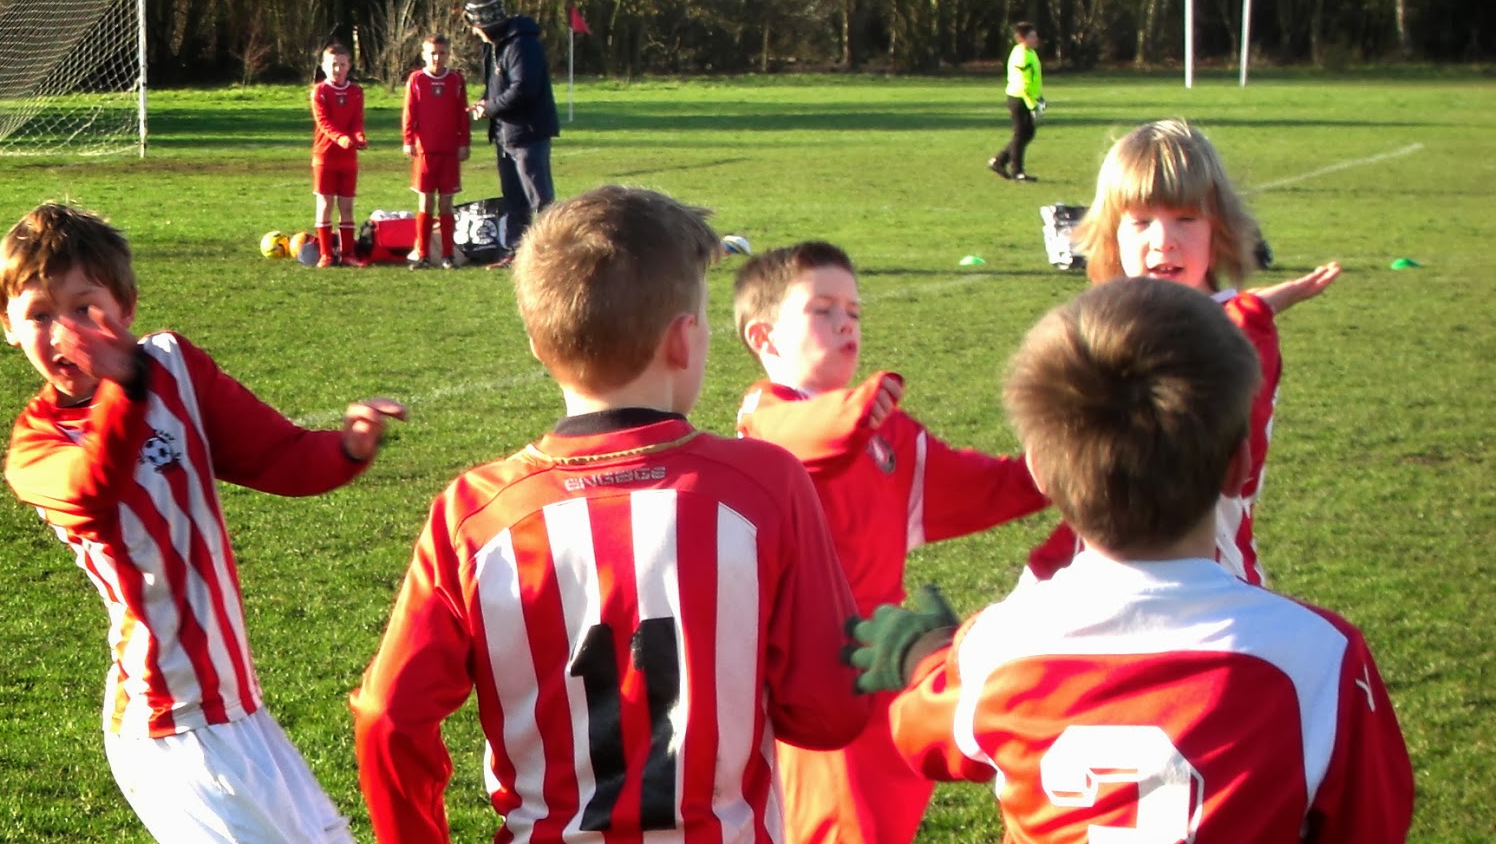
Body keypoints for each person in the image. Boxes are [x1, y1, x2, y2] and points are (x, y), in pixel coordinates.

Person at [351, 186, 869, 844]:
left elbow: (385, 717)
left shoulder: (477, 514)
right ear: (685, 340)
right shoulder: (765, 486)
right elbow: (828, 715)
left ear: (540, 345)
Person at [849, 278, 1414, 843]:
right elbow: (1372, 822)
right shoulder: (1318, 657)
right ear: (1238, 464)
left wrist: (926, 655)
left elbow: (923, 735)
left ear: (1039, 470)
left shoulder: (999, 646)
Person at [0, 202, 407, 843]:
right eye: (39, 316)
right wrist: (124, 388)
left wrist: (345, 447)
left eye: (82, 307)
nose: (64, 332)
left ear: (124, 308)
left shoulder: (174, 367)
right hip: (167, 724)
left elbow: (274, 454)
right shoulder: (35, 448)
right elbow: (94, 494)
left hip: (238, 708)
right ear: (9, 328)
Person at [732, 241, 1050, 844]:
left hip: (882, 655)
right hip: (811, 668)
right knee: (831, 824)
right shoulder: (765, 414)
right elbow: (807, 439)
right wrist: (859, 410)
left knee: (883, 818)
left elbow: (982, 485)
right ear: (765, 338)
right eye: (822, 309)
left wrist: (1062, 468)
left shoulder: (886, 430)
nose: (845, 321)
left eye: (853, 309)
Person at [1024, 118, 1341, 587]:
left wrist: (1253, 311)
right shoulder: (1097, 324)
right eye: (1141, 221)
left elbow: (1220, 445)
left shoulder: (1246, 334)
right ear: (1112, 233)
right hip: (1092, 567)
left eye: (1186, 219)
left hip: (1207, 577)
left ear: (1220, 229)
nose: (1163, 239)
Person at [463, 0, 560, 268]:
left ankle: (550, 256)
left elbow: (523, 89)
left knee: (539, 199)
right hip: (505, 135)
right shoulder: (495, 46)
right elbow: (498, 85)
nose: (472, 31)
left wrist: (491, 107)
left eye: (474, 25)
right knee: (514, 200)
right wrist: (486, 104)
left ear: (484, 24)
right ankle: (518, 254)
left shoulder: (521, 45)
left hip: (528, 134)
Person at [400, 32, 470, 269]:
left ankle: (448, 254)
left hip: (449, 150)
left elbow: (462, 113)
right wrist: (408, 139)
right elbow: (409, 112)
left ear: (449, 54)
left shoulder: (456, 80)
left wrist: (464, 142)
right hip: (425, 152)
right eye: (432, 54)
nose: (437, 58)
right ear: (424, 55)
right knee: (425, 202)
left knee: (446, 203)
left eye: (442, 53)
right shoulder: (417, 80)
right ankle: (422, 254)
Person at [311, 38, 370, 267]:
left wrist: (358, 137)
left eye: (342, 65)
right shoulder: (320, 91)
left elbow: (357, 121)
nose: (338, 69)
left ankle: (347, 254)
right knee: (325, 204)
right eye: (333, 64)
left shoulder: (356, 92)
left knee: (347, 206)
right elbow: (324, 122)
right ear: (324, 66)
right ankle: (326, 254)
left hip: (348, 158)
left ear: (349, 66)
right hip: (325, 157)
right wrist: (341, 138)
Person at [988, 21, 1043, 182]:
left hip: (1027, 98)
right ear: (1022, 39)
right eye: (1032, 36)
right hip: (1020, 99)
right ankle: (1017, 171)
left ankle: (999, 161)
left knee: (1027, 133)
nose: (1036, 39)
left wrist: (1039, 98)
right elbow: (1023, 85)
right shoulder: (1022, 56)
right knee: (1021, 134)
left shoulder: (1029, 51)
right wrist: (1033, 105)